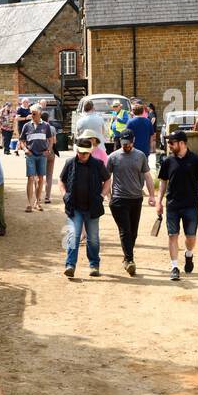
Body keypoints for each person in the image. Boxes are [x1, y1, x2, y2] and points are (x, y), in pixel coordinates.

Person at [106, 128, 157, 275]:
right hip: (119, 200)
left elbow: (147, 176)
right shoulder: (113, 157)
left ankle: (127, 256)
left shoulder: (140, 156)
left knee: (133, 232)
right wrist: (109, 196)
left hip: (136, 199)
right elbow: (106, 177)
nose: (126, 146)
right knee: (125, 230)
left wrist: (152, 195)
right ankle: (130, 260)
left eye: (128, 143)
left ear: (133, 141)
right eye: (123, 143)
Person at [155, 128, 198, 281]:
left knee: (191, 237)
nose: (169, 145)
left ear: (182, 143)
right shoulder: (168, 161)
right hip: (173, 205)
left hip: (191, 205)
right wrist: (159, 201)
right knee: (172, 235)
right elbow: (163, 182)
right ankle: (174, 266)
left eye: (172, 142)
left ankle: (188, 254)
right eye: (168, 142)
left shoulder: (196, 160)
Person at [60, 135, 111, 278]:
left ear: (90, 152)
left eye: (85, 153)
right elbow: (61, 180)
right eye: (79, 152)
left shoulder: (98, 164)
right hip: (74, 207)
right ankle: (70, 265)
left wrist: (102, 196)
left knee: (93, 238)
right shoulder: (70, 163)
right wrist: (65, 194)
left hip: (92, 207)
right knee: (72, 236)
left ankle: (94, 265)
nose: (81, 155)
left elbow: (107, 180)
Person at [19, 103, 51, 211]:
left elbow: (50, 139)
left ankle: (38, 202)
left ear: (39, 114)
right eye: (31, 113)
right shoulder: (26, 126)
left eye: (34, 113)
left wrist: (48, 150)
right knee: (31, 178)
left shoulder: (46, 126)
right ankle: (29, 203)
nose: (31, 115)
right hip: (30, 154)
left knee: (41, 179)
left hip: (42, 155)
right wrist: (25, 150)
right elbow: (22, 141)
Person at [36, 102, 59, 202]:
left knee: (39, 175)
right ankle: (47, 197)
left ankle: (38, 196)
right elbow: (54, 141)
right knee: (49, 176)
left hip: (40, 152)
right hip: (50, 152)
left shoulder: (37, 127)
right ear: (48, 119)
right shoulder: (52, 128)